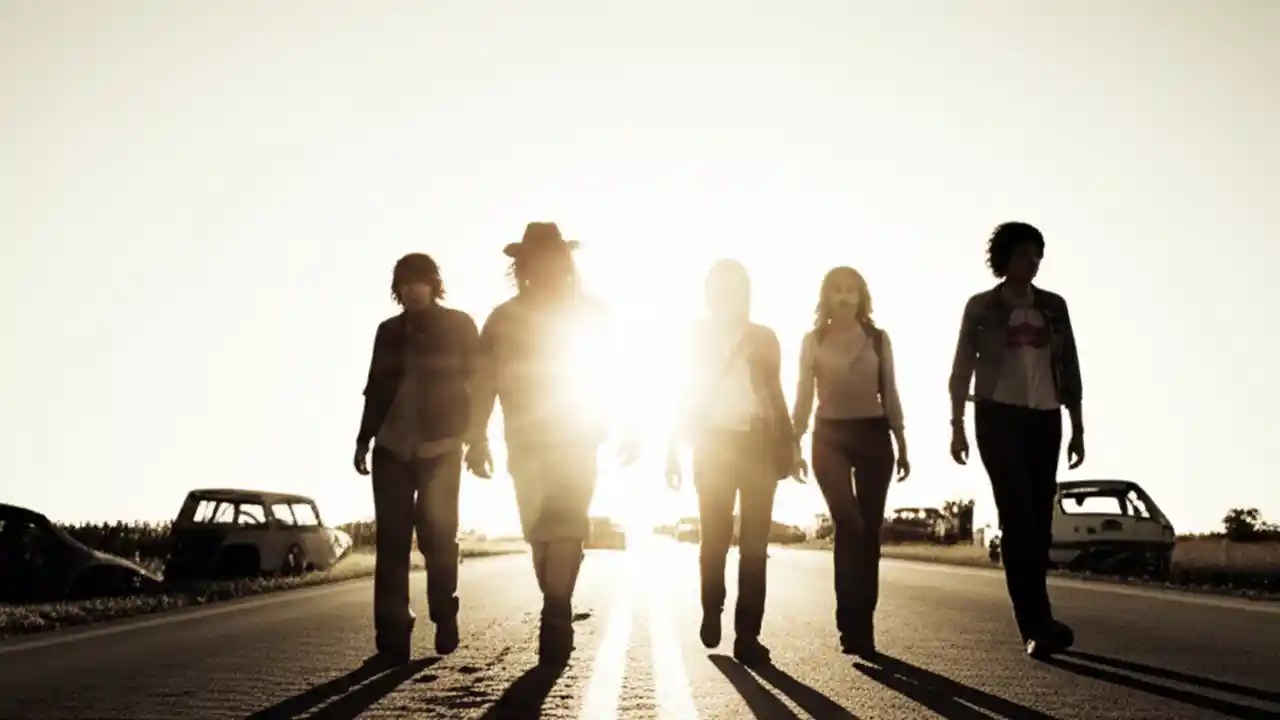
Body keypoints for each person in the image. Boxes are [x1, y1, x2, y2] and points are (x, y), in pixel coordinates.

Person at [466, 222, 639, 667]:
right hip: (523, 443)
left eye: (551, 259)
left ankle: (556, 610)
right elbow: (482, 384)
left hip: (577, 435)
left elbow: (619, 373)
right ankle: (556, 597)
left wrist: (632, 424)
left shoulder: (592, 313)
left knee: (565, 525)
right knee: (540, 533)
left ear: (563, 263)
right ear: (522, 267)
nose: (543, 268)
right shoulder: (502, 319)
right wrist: (477, 438)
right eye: (533, 260)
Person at [948, 221, 1085, 660]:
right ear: (1004, 258)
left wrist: (1077, 425)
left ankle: (1041, 618)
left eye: (1038, 254)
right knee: (1018, 518)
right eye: (1026, 253)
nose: (1034, 262)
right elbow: (961, 368)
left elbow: (1070, 366)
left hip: (1045, 419)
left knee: (1040, 525)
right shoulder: (981, 308)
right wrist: (956, 424)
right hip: (997, 418)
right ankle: (1033, 624)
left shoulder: (1054, 307)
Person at [666, 259, 799, 666]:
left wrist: (790, 444)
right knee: (715, 540)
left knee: (755, 546)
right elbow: (684, 389)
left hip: (758, 443)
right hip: (713, 443)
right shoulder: (697, 335)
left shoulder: (764, 337)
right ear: (710, 292)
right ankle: (712, 607)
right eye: (721, 287)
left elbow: (776, 390)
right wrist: (671, 447)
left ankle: (747, 636)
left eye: (737, 286)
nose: (729, 294)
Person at [354, 252, 481, 664]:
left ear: (433, 283)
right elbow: (374, 386)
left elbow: (477, 384)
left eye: (418, 281)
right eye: (403, 284)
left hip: (440, 448)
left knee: (438, 537)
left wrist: (477, 439)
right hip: (391, 447)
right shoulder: (387, 331)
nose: (410, 290)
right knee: (391, 544)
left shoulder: (459, 325)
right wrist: (363, 439)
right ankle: (393, 635)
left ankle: (444, 613)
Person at [791, 266, 910, 658]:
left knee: (869, 529)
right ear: (826, 297)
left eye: (851, 291)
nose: (844, 297)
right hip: (830, 437)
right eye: (837, 290)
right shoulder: (813, 341)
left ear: (861, 297)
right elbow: (803, 397)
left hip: (874, 435)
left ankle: (864, 625)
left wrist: (901, 438)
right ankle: (849, 619)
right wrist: (794, 442)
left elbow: (889, 389)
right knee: (849, 523)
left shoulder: (878, 338)